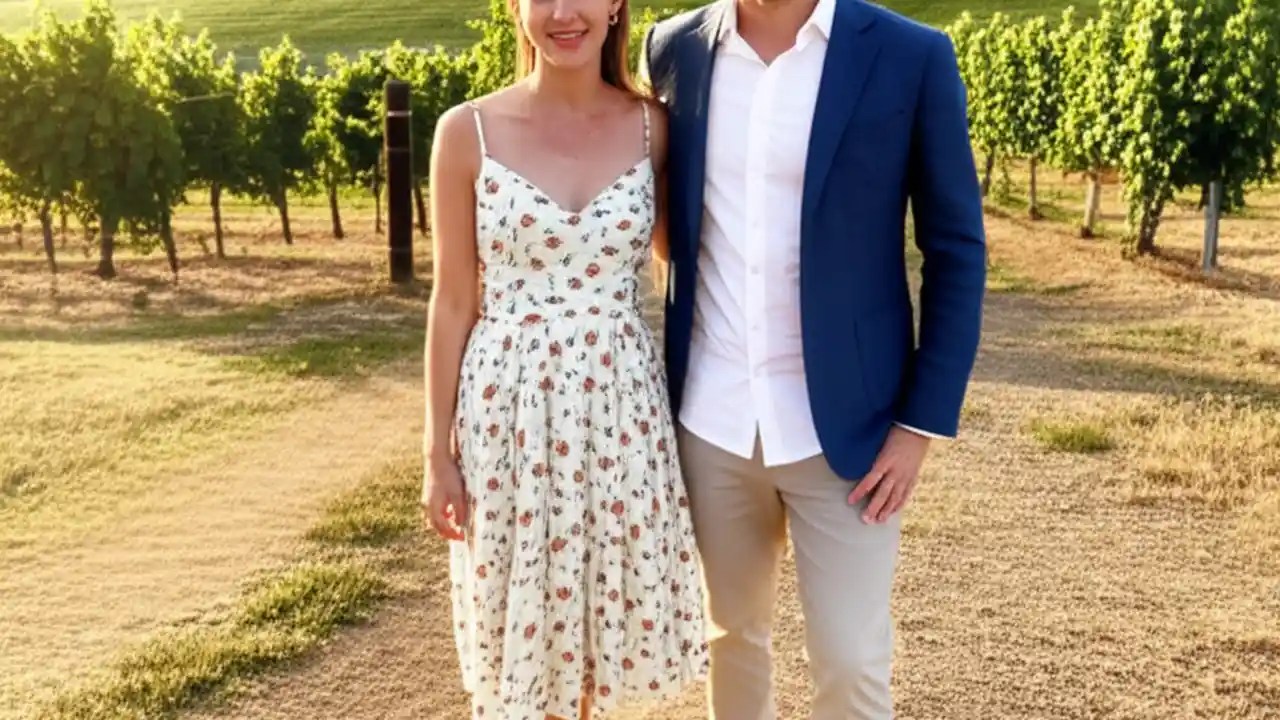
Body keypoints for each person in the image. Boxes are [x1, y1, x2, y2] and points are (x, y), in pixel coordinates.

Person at [641, 0, 987, 718]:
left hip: (854, 433)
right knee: (731, 640)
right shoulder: (673, 48)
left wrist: (919, 426)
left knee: (851, 662)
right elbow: (670, 223)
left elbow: (956, 251)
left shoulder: (911, 55)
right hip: (713, 418)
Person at [421, 0, 709, 718]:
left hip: (618, 410)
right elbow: (453, 300)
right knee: (528, 636)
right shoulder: (466, 132)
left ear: (615, 4)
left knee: (596, 639)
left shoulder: (654, 128)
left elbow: (691, 258)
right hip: (509, 417)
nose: (562, 13)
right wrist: (437, 451)